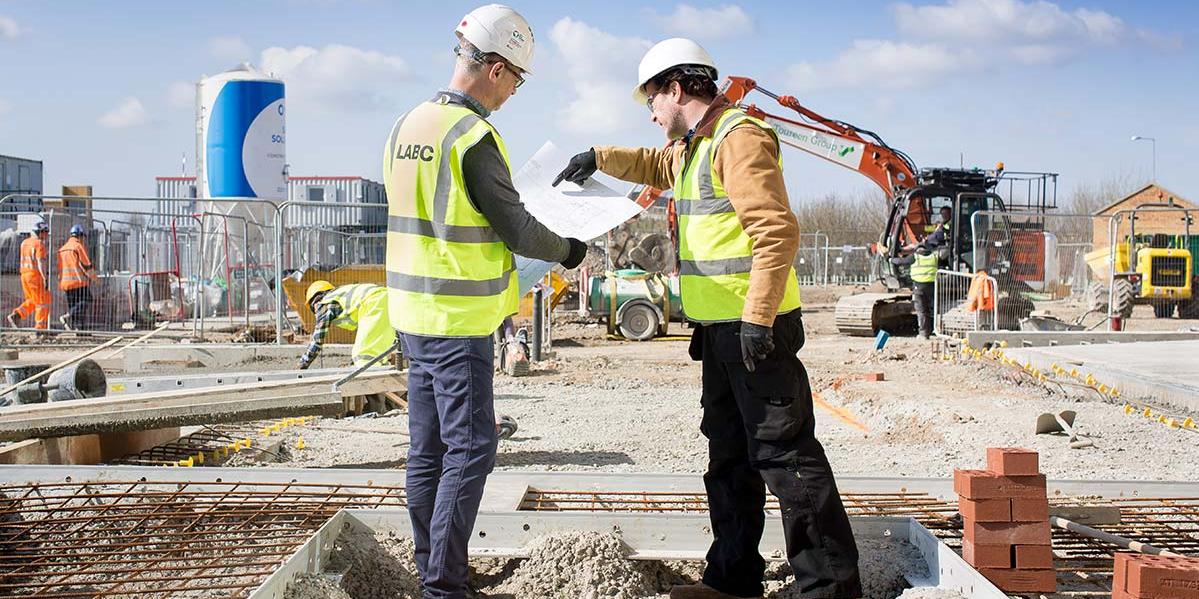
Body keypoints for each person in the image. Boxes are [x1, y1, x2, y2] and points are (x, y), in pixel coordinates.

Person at [554, 37, 861, 599]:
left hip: (756, 331)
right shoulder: (695, 145)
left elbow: (777, 232)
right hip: (721, 335)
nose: (650, 113)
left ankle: (830, 590)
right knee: (730, 461)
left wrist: (759, 319)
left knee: (786, 460)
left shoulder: (737, 138)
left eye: (652, 99)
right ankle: (732, 582)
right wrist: (597, 157)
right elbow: (654, 163)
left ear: (676, 89)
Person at [382, 5, 587, 598]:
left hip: (413, 315)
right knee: (471, 448)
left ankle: (432, 570)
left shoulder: (406, 124)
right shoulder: (471, 136)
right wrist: (569, 249)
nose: (515, 93)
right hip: (457, 319)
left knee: (427, 451)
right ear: (496, 68)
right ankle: (444, 585)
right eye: (518, 80)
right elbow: (518, 229)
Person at [298, 280, 393, 369]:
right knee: (378, 348)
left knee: (363, 355)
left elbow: (317, 339)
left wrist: (303, 363)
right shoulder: (342, 295)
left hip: (373, 302)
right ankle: (383, 371)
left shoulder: (324, 302)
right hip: (387, 298)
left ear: (314, 301)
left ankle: (370, 381)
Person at [8, 221, 51, 330]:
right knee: (42, 302)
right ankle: (40, 328)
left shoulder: (24, 243)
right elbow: (40, 261)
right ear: (40, 232)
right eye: (45, 232)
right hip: (35, 276)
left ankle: (17, 315)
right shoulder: (39, 244)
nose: (46, 235)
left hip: (24, 274)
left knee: (32, 300)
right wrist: (45, 278)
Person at [890, 243, 938, 338]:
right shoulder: (934, 257)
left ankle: (923, 333)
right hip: (932, 287)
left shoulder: (915, 257)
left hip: (919, 287)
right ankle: (933, 330)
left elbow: (901, 261)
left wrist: (891, 259)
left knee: (921, 310)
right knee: (931, 310)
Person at [57, 224, 93, 330]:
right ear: (80, 235)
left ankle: (80, 330)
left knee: (75, 306)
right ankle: (68, 316)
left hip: (66, 283)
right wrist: (94, 278)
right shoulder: (77, 246)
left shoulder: (62, 249)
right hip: (78, 281)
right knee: (87, 300)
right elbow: (86, 265)